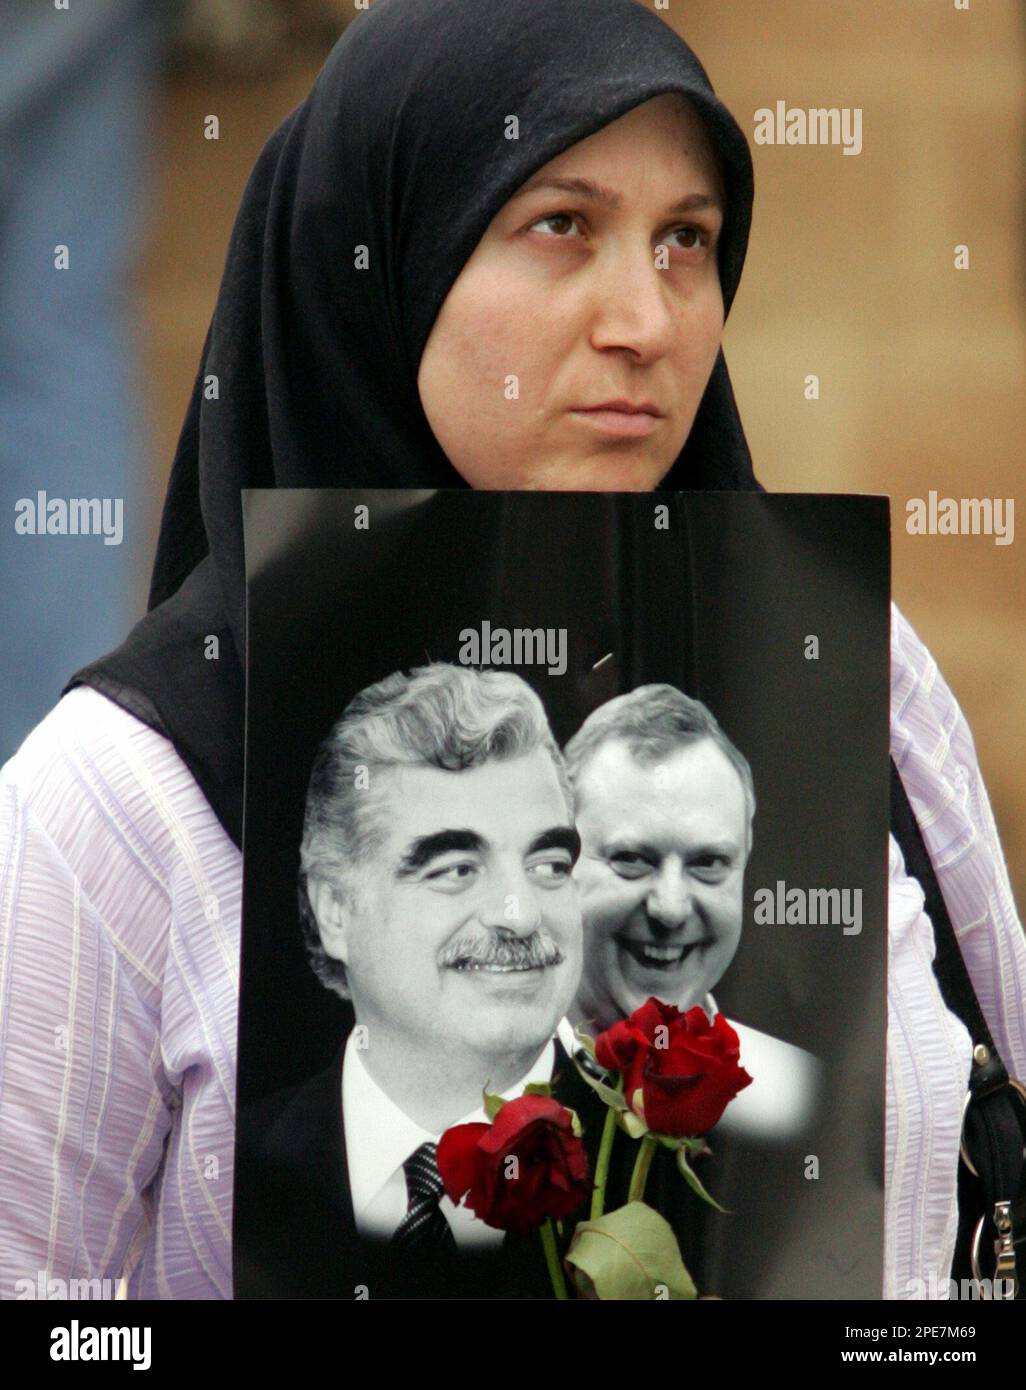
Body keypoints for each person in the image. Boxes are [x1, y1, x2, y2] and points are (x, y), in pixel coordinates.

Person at [0, 0, 1023, 1301]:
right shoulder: (124, 801)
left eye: (686, 241)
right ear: (386, 248)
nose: (643, 322)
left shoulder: (855, 676)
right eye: (561, 226)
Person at [235, 661, 585, 1298]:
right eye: (455, 869)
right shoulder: (223, 1175)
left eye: (549, 863)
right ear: (336, 909)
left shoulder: (699, 1171)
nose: (522, 914)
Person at [563, 683, 819, 1144]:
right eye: (632, 859)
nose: (671, 908)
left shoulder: (800, 1107)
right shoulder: (456, 1113)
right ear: (559, 864)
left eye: (708, 864)